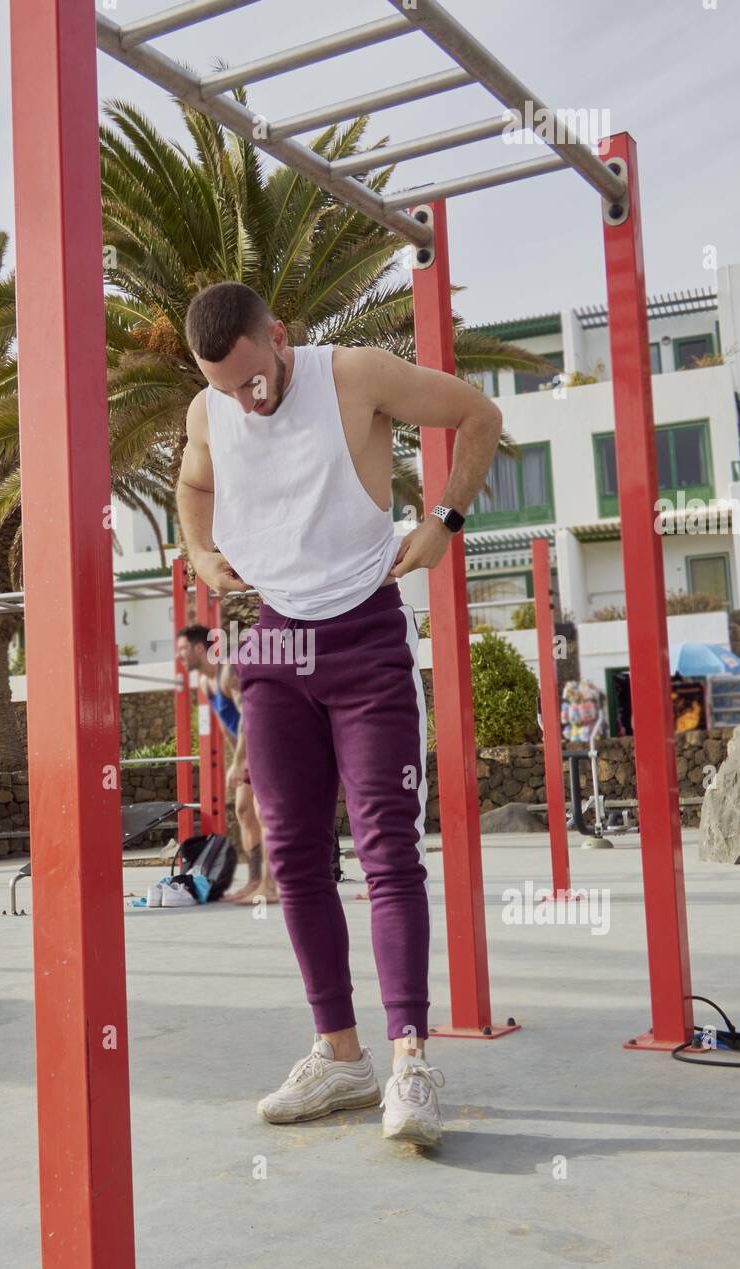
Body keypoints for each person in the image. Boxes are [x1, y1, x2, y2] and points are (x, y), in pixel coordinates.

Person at [176, 282, 501, 1147]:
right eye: (225, 386)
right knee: (290, 851)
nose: (247, 398)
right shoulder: (209, 411)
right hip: (273, 644)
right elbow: (191, 484)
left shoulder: (351, 376)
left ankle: (408, 1063)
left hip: (363, 631)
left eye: (253, 377)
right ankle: (340, 1055)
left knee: (388, 847)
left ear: (277, 337)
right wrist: (202, 554)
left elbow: (478, 413)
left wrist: (444, 520)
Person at [176, 623, 278, 903]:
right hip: (249, 752)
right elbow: (227, 725)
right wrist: (237, 761)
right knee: (245, 810)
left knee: (263, 813)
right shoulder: (207, 683)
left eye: (183, 649)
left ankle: (270, 886)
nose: (180, 656)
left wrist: (239, 762)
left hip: (267, 745)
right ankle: (256, 881)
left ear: (199, 648)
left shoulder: (227, 672)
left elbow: (249, 717)